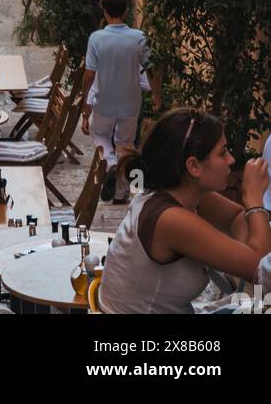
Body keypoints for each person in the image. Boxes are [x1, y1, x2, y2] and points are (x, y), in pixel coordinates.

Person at [98, 108, 271, 314]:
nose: (231, 160)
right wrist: (254, 200)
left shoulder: (182, 193)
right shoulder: (170, 219)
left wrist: (240, 255)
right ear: (194, 166)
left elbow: (236, 218)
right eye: (223, 152)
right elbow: (262, 269)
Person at [81, 0, 160, 202]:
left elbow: (89, 76)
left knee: (100, 136)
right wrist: (157, 96)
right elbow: (151, 68)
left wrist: (85, 107)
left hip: (104, 101)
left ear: (104, 12)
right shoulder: (139, 38)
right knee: (126, 143)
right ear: (126, 11)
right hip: (130, 102)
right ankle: (127, 192)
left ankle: (111, 163)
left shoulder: (97, 38)